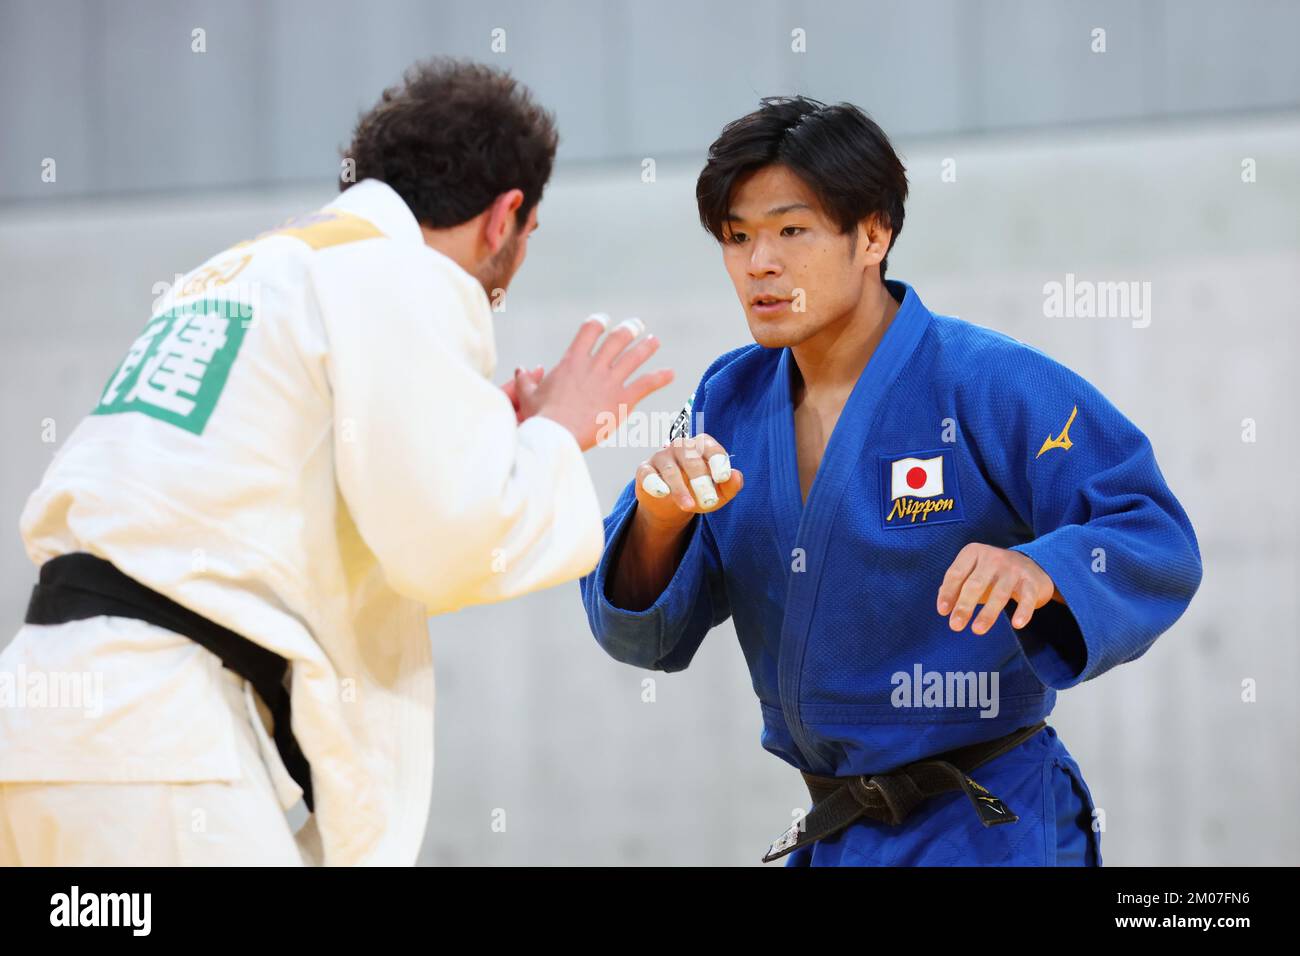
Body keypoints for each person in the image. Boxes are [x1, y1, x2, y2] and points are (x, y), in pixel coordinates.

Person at [0, 58, 672, 866]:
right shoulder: (401, 276)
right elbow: (445, 543)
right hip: (154, 740)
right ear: (506, 217)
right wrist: (561, 430)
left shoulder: (252, 269)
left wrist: (485, 428)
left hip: (46, 718)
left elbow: (303, 491)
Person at [579, 96, 1202, 866]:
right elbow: (639, 631)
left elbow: (1153, 532)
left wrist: (1043, 566)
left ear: (874, 233)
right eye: (737, 238)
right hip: (838, 831)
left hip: (987, 830)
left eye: (791, 230)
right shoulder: (726, 403)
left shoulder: (987, 382)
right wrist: (660, 519)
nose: (759, 264)